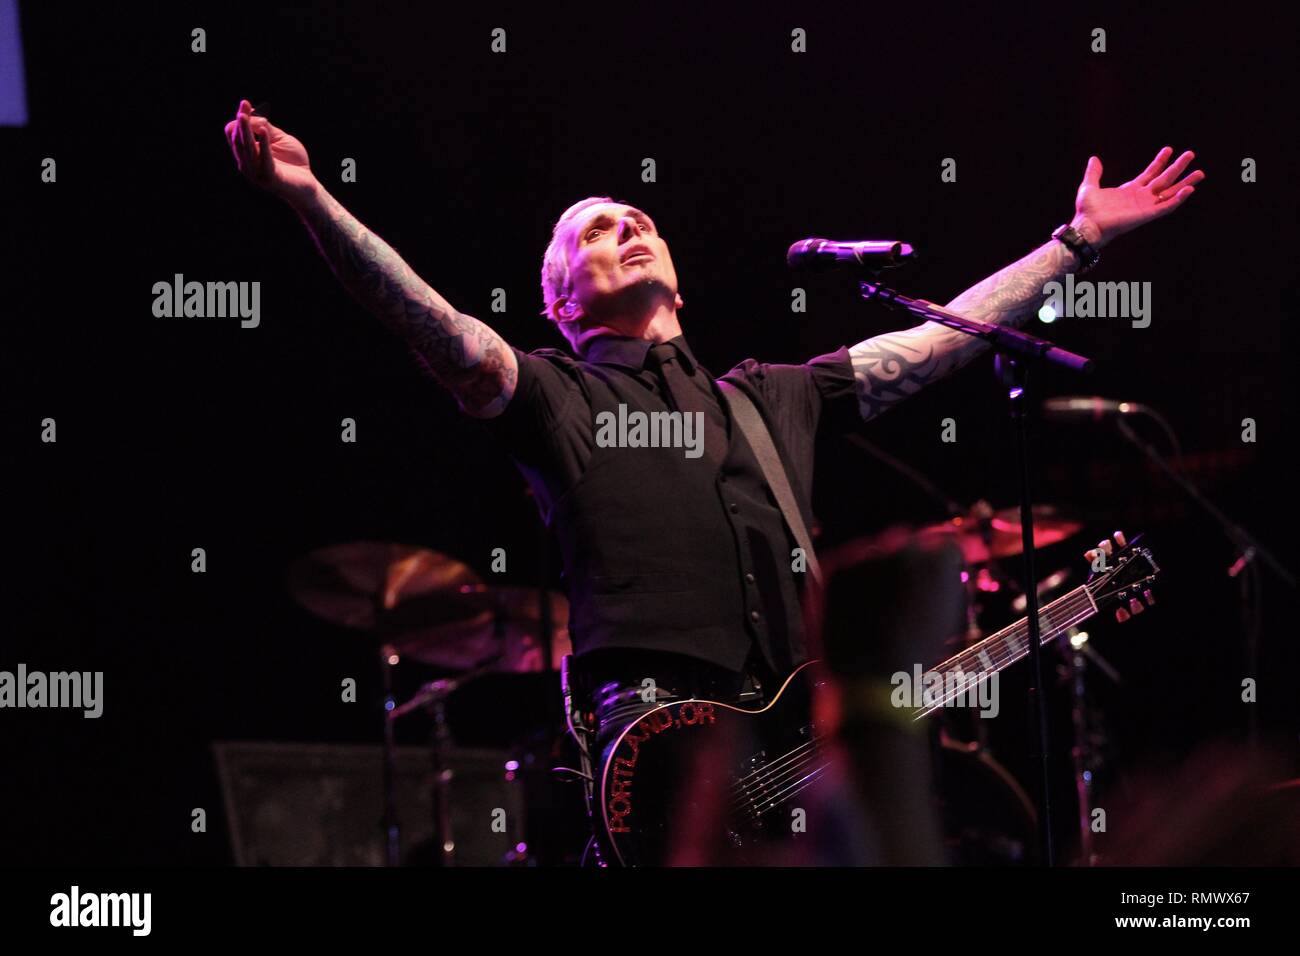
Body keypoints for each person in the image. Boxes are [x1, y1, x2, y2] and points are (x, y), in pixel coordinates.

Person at [223, 98, 1203, 837]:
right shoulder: (553, 395)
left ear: (678, 278)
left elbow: (943, 340)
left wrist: (1074, 243)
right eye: (593, 231)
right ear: (560, 301)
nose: (626, 228)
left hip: (791, 760)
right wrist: (312, 199)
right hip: (653, 750)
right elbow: (429, 324)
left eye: (637, 218)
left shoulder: (770, 394)